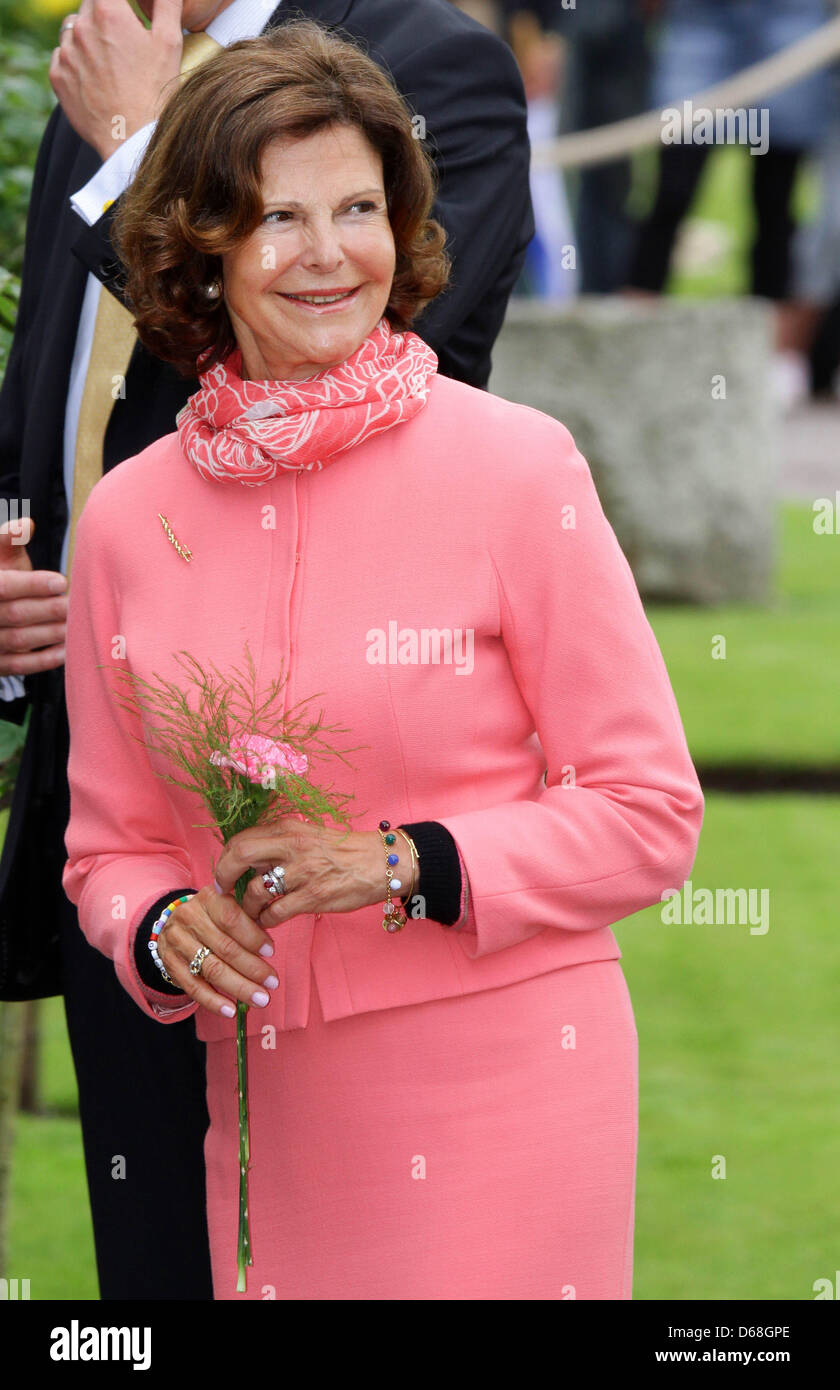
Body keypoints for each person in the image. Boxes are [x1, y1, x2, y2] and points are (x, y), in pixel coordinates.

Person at [62, 20, 704, 1300]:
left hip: (517, 1076)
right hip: (275, 1102)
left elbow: (649, 814)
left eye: (358, 208)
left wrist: (408, 860)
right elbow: (110, 847)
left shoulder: (521, 469)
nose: (327, 255)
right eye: (279, 217)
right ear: (204, 247)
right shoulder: (128, 520)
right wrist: (161, 927)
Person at [0, 0, 533, 1300]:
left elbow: (383, 370)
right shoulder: (102, 60)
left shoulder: (426, 61)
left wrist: (140, 150)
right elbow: (56, 390)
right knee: (152, 1268)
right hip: (115, 839)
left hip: (333, 834)